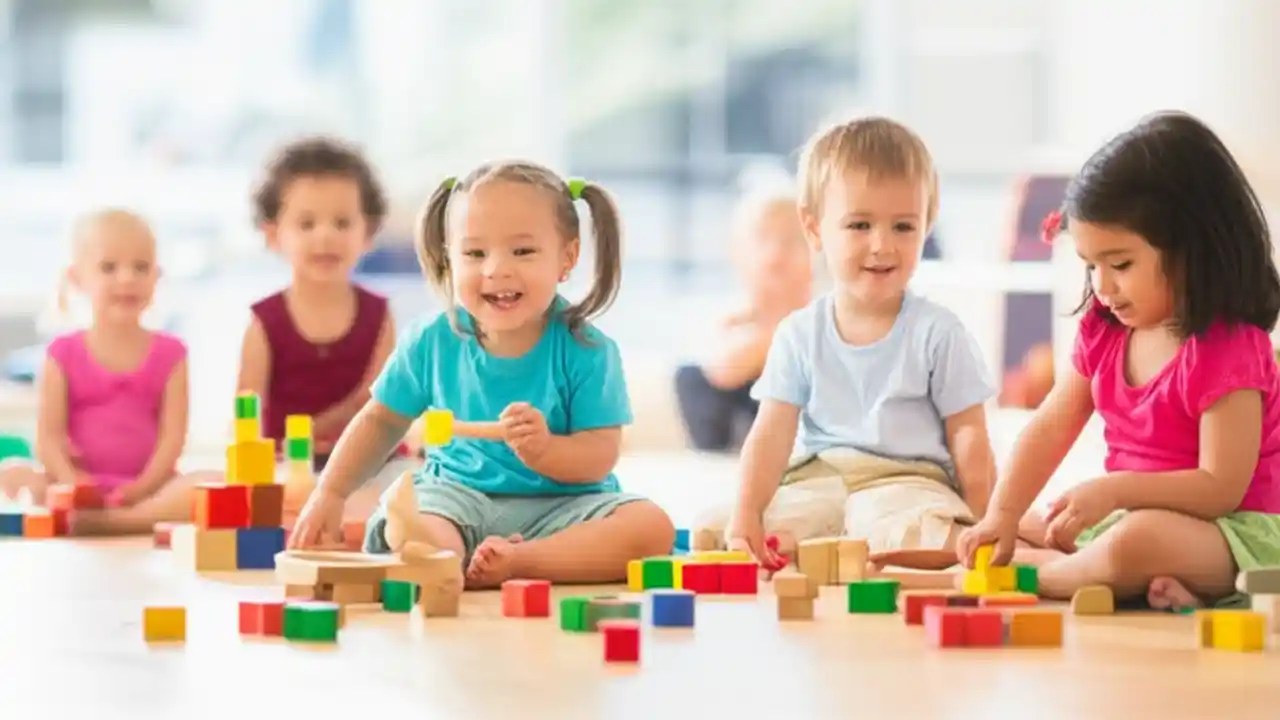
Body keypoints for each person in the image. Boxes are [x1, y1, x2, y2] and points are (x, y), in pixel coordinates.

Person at [288, 161, 675, 588]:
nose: (496, 269)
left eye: (523, 251)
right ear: (450, 259)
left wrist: (546, 451)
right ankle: (439, 554)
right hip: (455, 498)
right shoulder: (432, 340)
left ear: (567, 258)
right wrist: (331, 492)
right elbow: (381, 420)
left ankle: (521, 561)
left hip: (563, 508)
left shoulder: (588, 349)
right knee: (424, 522)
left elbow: (600, 454)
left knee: (651, 526)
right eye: (474, 254)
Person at [957, 111, 1280, 610]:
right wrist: (1000, 514)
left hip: (1239, 536)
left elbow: (1221, 489)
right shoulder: (1105, 332)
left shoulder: (1228, 348)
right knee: (1019, 521)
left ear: (1190, 249)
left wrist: (1113, 492)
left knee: (1137, 541)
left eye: (1121, 264)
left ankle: (1048, 577)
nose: (1103, 287)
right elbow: (1048, 429)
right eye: (1091, 266)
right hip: (1133, 519)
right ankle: (1128, 579)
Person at [696, 116, 997, 567]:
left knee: (911, 527)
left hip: (907, 480)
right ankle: (837, 550)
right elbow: (771, 434)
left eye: (903, 227)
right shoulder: (798, 333)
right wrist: (746, 515)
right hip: (822, 479)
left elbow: (970, 434)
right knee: (714, 528)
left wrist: (986, 520)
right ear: (814, 229)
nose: (882, 245)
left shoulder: (939, 332)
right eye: (859, 225)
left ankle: (870, 550)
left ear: (926, 226)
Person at [0, 209, 216, 533]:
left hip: (150, 489)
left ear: (157, 277)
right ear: (77, 278)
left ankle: (118, 522)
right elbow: (49, 439)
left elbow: (173, 439)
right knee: (12, 471)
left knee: (211, 482)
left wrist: (142, 488)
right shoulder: (62, 353)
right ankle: (96, 517)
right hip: (76, 486)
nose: (127, 278)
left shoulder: (172, 353)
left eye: (140, 268)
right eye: (109, 267)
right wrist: (74, 485)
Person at [237, 137, 404, 519]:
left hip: (365, 466)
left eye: (342, 223)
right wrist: (293, 445)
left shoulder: (379, 315)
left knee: (408, 485)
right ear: (273, 234)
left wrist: (319, 431)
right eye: (307, 223)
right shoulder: (265, 321)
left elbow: (377, 401)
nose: (325, 236)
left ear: (369, 233)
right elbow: (247, 412)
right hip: (288, 467)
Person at [674, 186, 812, 452]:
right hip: (738, 431)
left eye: (792, 241)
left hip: (804, 433)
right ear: (736, 253)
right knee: (690, 374)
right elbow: (723, 369)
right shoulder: (729, 319)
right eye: (762, 239)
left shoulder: (825, 316)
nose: (776, 255)